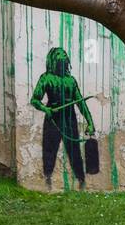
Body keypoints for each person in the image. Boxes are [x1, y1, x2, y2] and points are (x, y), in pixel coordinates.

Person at [30, 46, 95, 190]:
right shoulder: (46, 78)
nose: (63, 65)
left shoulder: (70, 81)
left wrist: (90, 122)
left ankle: (81, 180)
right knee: (49, 150)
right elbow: (34, 99)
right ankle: (47, 179)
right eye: (60, 63)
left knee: (74, 151)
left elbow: (80, 103)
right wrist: (45, 109)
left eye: (64, 63)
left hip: (69, 118)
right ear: (53, 63)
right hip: (53, 118)